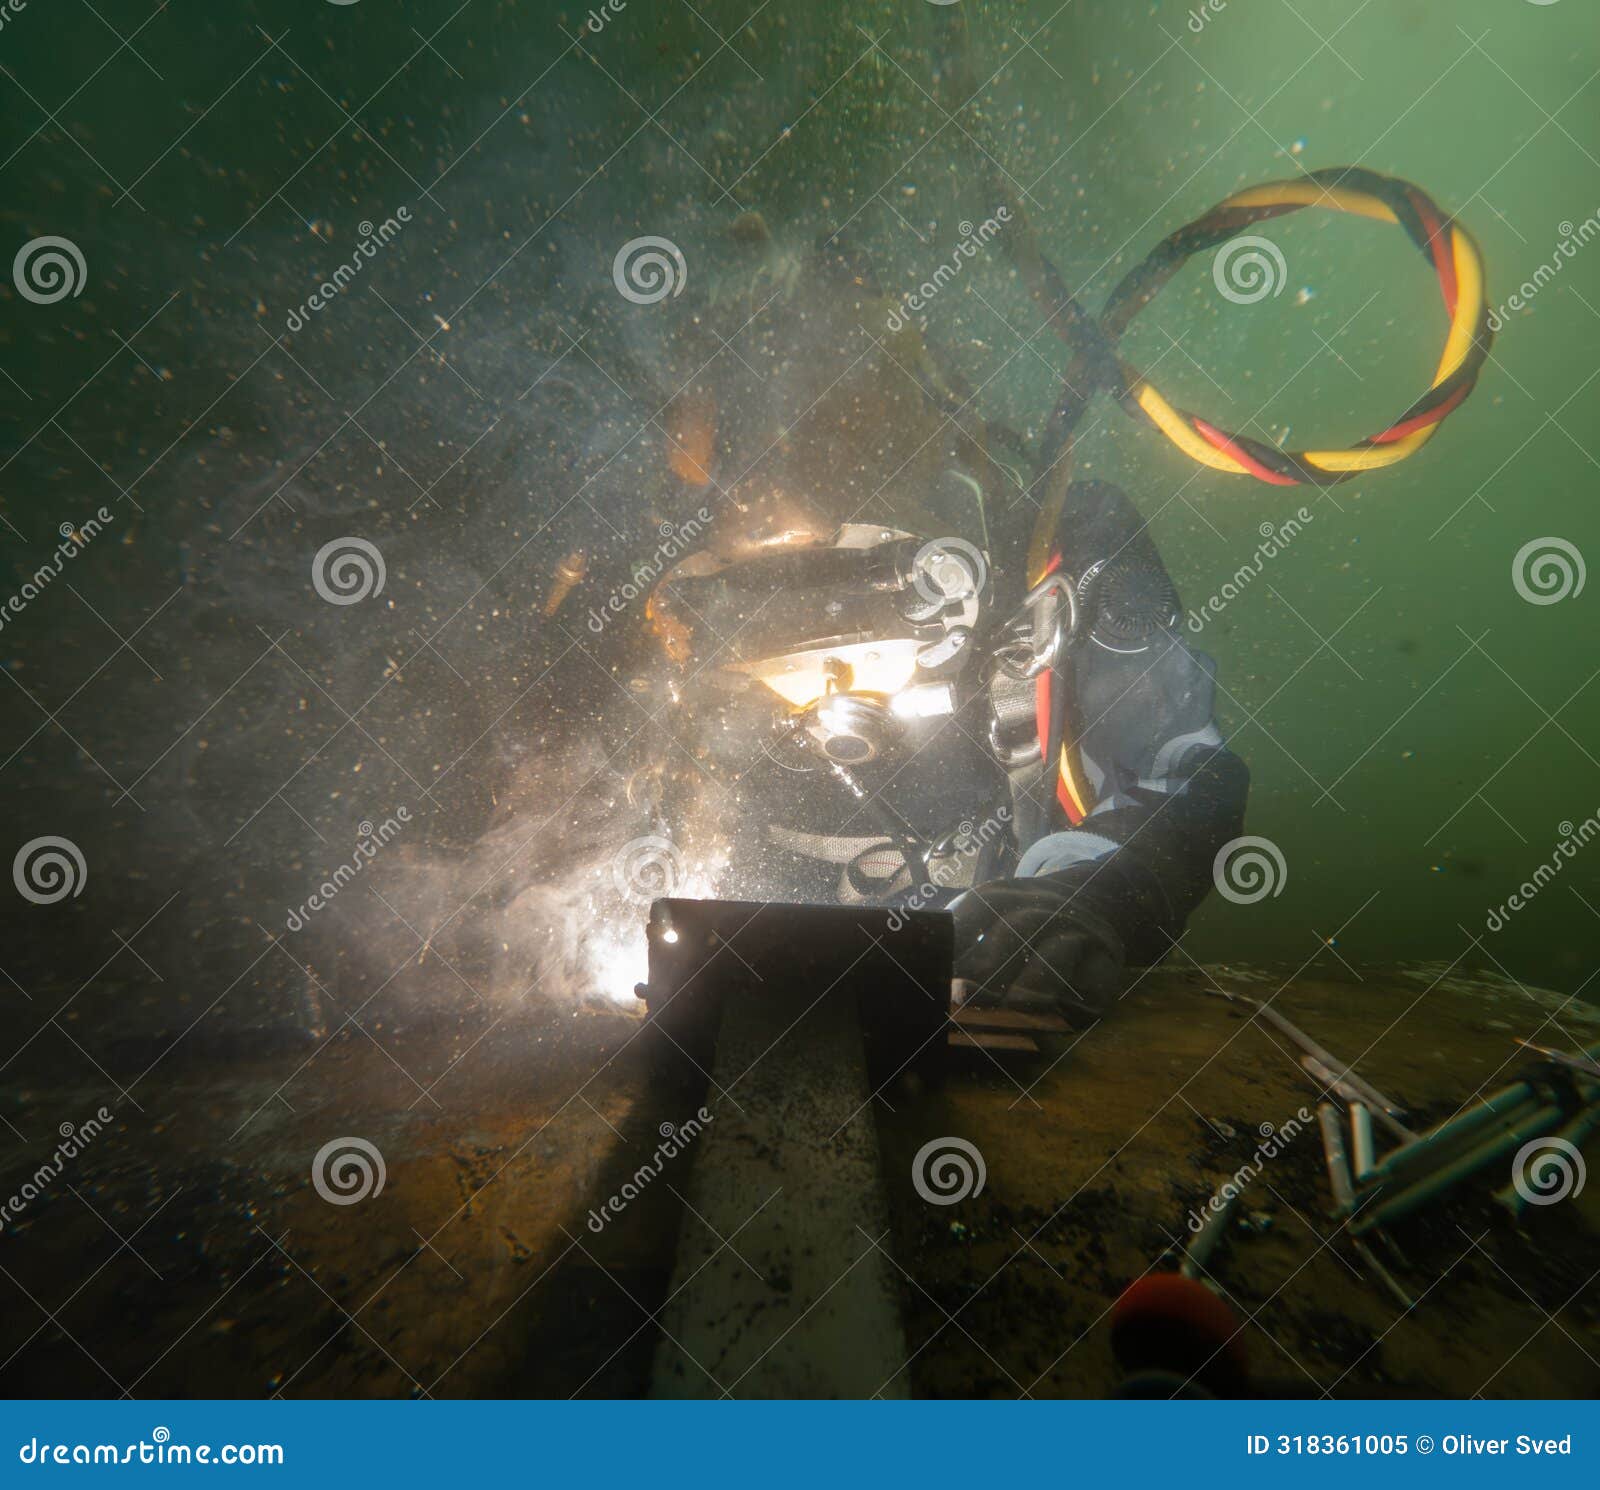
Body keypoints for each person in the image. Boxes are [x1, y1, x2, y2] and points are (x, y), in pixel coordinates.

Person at [577, 223, 1249, 1028]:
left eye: (844, 410)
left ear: (932, 417)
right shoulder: (647, 593)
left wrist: (1078, 895)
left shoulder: (1061, 560)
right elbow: (559, 787)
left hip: (985, 964)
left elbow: (1180, 769)